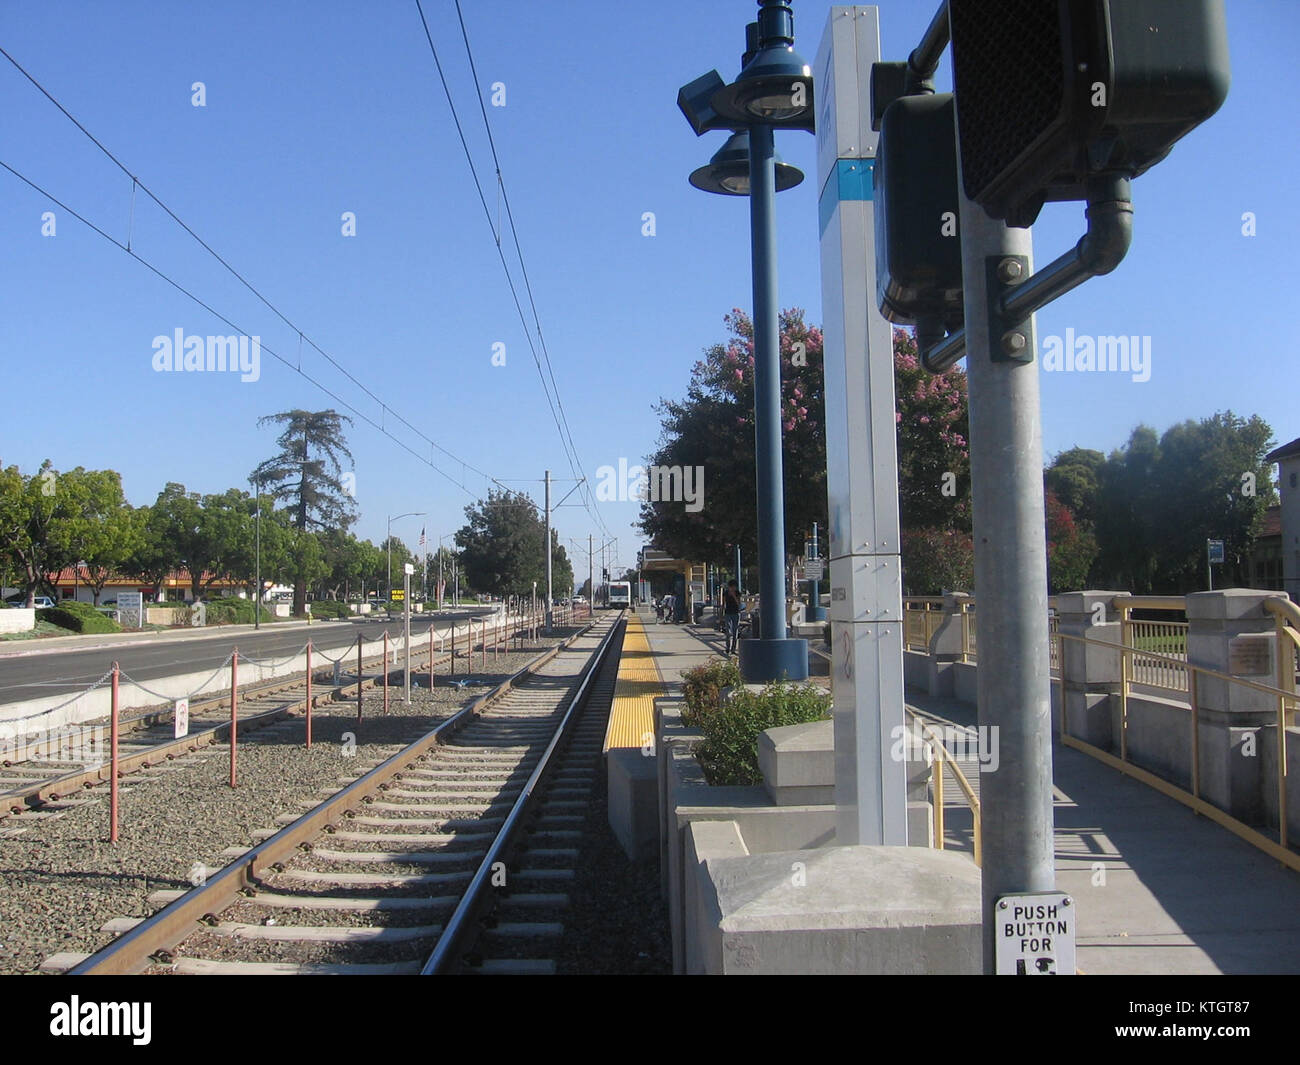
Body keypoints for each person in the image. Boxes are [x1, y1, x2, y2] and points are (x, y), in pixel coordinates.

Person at [722, 579, 742, 656]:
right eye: (731, 587)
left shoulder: (738, 593)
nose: (733, 588)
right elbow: (723, 604)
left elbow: (739, 604)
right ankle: (728, 647)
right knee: (728, 631)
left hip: (736, 613)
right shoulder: (725, 593)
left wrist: (734, 596)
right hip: (728, 613)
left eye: (734, 587)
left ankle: (733, 649)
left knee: (735, 631)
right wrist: (721, 615)